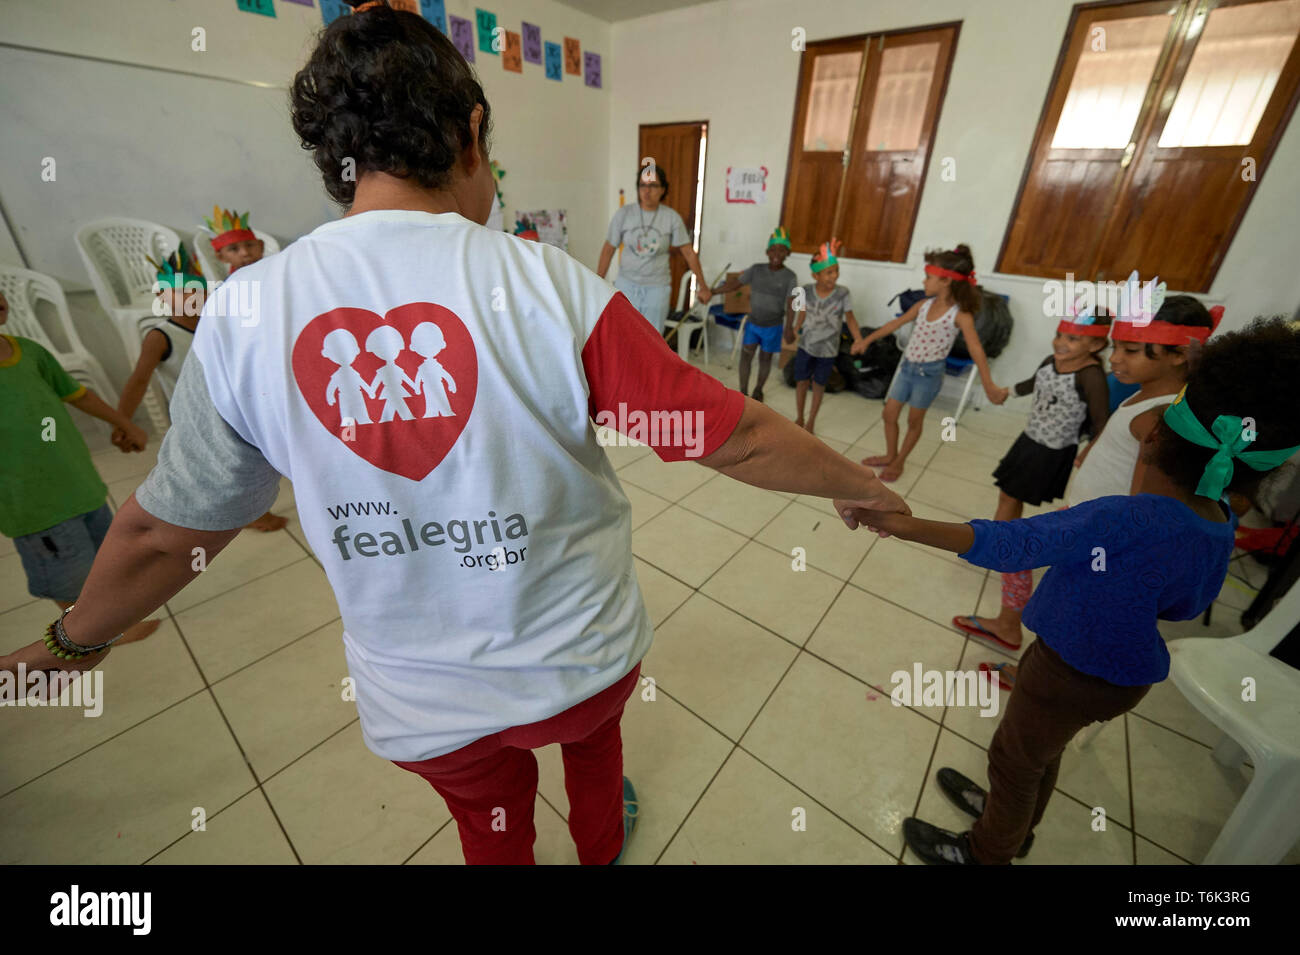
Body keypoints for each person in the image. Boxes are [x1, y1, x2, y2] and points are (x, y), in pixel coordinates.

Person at [0, 0, 909, 867]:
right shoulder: (551, 289)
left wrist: (70, 643)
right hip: (580, 659)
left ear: (333, 163)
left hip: (423, 701)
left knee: (489, 816)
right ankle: (600, 841)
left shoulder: (245, 312)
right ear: (473, 135)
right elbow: (734, 435)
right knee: (596, 757)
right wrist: (862, 485)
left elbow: (165, 533)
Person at [837, 317, 1300, 864]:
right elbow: (1187, 605)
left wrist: (904, 525)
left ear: (1156, 436)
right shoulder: (1220, 523)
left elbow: (1012, 543)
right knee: (1039, 755)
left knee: (1013, 760)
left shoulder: (1124, 517)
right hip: (1117, 678)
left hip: (1069, 668)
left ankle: (986, 851)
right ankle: (1013, 821)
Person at [953, 301, 1111, 673]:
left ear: (1095, 345)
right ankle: (998, 540)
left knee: (1011, 495)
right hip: (1030, 438)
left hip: (1052, 450)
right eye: (1060, 334)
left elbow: (1102, 421)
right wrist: (1005, 391)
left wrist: (1088, 452)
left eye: (1073, 338)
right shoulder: (1049, 361)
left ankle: (997, 544)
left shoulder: (1091, 376)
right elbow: (1032, 383)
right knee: (1007, 493)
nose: (1061, 342)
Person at [0, 290, 160, 646]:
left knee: (104, 559)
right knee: (68, 577)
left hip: (79, 485)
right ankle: (90, 632)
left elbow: (78, 394)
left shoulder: (29, 353)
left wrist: (124, 422)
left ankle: (111, 615)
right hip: (34, 508)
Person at [115, 248, 288, 533]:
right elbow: (138, 380)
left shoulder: (217, 325)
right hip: (196, 415)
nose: (192, 297)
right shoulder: (160, 338)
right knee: (223, 469)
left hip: (233, 408)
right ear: (162, 298)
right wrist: (123, 421)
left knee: (249, 460)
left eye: (197, 290)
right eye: (181, 292)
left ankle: (259, 499)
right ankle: (252, 513)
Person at [857, 246, 1006, 481]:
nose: (924, 281)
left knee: (914, 421)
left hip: (929, 375)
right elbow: (893, 325)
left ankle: (899, 461)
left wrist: (989, 384)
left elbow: (976, 348)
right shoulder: (923, 305)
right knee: (889, 414)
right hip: (907, 369)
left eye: (928, 277)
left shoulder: (959, 315)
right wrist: (866, 340)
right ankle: (890, 454)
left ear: (946, 281)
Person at [596, 163, 711, 334]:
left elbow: (688, 252)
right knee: (624, 334)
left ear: (663, 189)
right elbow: (608, 248)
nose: (647, 191)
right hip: (626, 285)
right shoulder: (624, 214)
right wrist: (597, 282)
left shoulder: (671, 217)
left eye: (653, 186)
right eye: (642, 185)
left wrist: (703, 286)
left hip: (657, 288)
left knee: (651, 337)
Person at [711, 226, 797, 402]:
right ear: (767, 252)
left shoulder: (790, 277)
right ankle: (743, 391)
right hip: (753, 324)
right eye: (773, 249)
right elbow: (735, 285)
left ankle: (758, 389)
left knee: (765, 359)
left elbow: (792, 304)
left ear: (788, 253)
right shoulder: (756, 269)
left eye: (781, 250)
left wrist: (790, 328)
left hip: (773, 326)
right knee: (746, 356)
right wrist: (713, 292)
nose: (776, 253)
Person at [787, 239, 864, 433]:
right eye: (829, 272)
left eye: (836, 271)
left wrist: (859, 339)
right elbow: (802, 313)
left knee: (819, 384)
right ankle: (799, 416)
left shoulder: (843, 293)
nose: (834, 276)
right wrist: (795, 328)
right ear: (816, 274)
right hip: (806, 346)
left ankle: (811, 420)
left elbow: (851, 319)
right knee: (802, 381)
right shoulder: (805, 290)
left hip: (828, 350)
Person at [203, 206, 266, 278]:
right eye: (234, 249)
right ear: (221, 257)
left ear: (261, 246)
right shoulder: (230, 286)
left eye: (249, 245)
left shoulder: (277, 271)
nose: (245, 253)